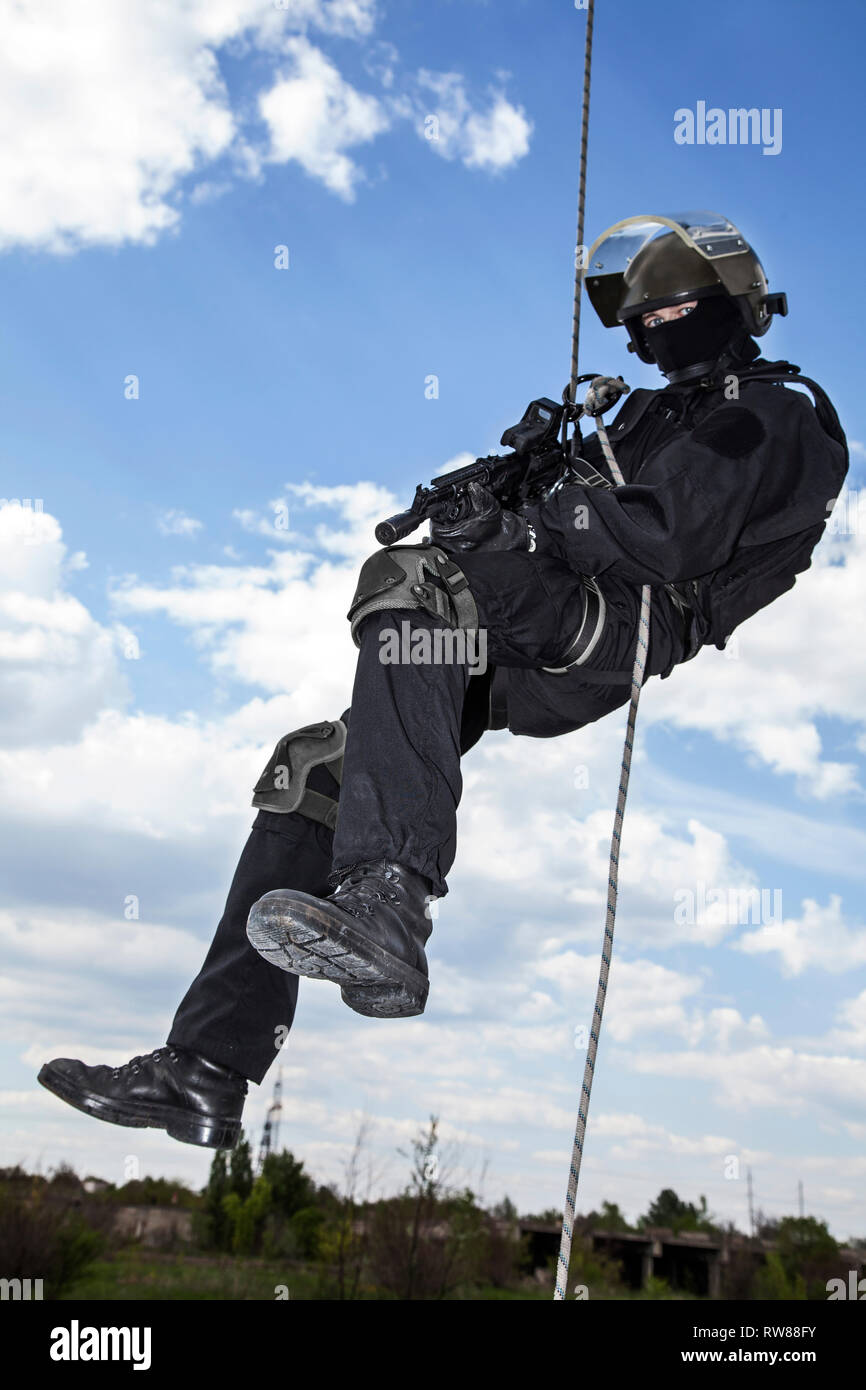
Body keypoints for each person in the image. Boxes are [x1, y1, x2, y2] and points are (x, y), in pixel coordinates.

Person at [38, 212, 848, 1149]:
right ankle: (208, 1070)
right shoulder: (643, 412)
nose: (651, 326)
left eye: (671, 305)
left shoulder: (779, 412)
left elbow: (665, 534)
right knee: (315, 770)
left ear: (727, 299)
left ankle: (390, 896)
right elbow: (563, 507)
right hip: (512, 644)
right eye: (642, 313)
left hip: (608, 633)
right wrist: (503, 491)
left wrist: (538, 521)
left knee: (412, 580)